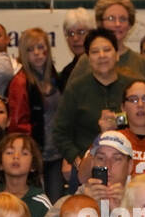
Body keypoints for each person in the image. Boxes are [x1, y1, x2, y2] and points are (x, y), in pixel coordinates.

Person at [34, 131, 132, 217]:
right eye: (101, 158)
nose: (108, 166)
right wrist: (80, 207)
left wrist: (123, 213)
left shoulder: (143, 203)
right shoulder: (67, 203)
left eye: (117, 159)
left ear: (130, 166)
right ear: (92, 163)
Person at [54, 29, 133, 170]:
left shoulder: (132, 87)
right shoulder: (76, 88)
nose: (102, 56)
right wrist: (78, 161)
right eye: (95, 52)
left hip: (128, 166)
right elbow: (60, 133)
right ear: (88, 58)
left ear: (117, 55)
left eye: (107, 50)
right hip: (87, 168)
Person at [6, 27, 63, 201]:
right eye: (30, 50)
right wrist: (28, 153)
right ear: (23, 54)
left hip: (58, 154)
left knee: (55, 204)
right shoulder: (20, 82)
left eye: (40, 47)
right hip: (34, 155)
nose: (37, 53)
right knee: (34, 203)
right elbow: (18, 125)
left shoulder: (56, 77)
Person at [67, 0, 145, 86]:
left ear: (130, 25)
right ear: (100, 23)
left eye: (123, 19)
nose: (117, 24)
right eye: (111, 18)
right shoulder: (85, 61)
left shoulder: (140, 62)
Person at [56, 7, 94, 92]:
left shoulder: (102, 66)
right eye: (71, 33)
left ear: (92, 34)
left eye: (81, 32)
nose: (75, 38)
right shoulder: (66, 73)